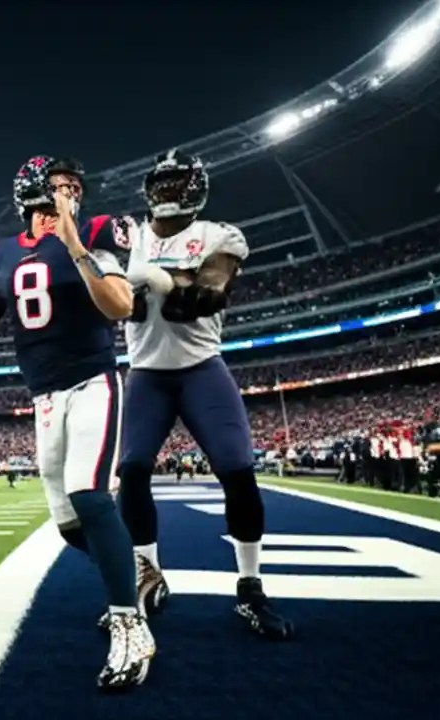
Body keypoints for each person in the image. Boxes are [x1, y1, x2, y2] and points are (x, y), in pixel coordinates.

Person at [0, 155, 154, 692]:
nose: (72, 193)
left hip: (93, 381)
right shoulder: (3, 252)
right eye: (60, 186)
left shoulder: (96, 231)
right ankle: (135, 573)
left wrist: (76, 245)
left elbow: (120, 305)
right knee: (71, 524)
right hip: (45, 397)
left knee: (92, 497)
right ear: (31, 194)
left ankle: (131, 622)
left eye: (77, 187)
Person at [114, 149, 294, 640]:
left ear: (196, 188)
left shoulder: (219, 235)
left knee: (238, 471)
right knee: (131, 472)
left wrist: (156, 277)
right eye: (163, 183)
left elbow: (205, 296)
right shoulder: (129, 237)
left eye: (178, 183)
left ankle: (251, 586)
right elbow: (122, 309)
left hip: (200, 369)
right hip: (146, 373)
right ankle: (147, 574)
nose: (168, 192)